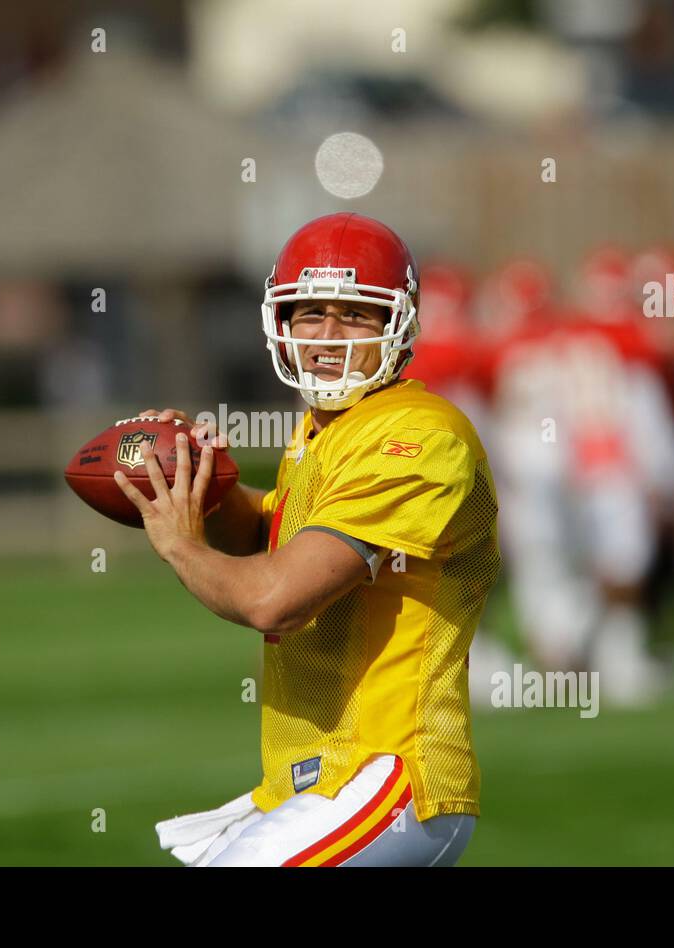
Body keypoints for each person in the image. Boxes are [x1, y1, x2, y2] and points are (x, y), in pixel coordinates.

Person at [131, 213, 501, 866]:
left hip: (387, 772)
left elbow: (276, 598)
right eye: (309, 313)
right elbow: (265, 534)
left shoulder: (415, 438)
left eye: (355, 314)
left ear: (399, 324)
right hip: (326, 776)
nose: (327, 336)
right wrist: (200, 479)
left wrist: (180, 544)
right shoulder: (327, 432)